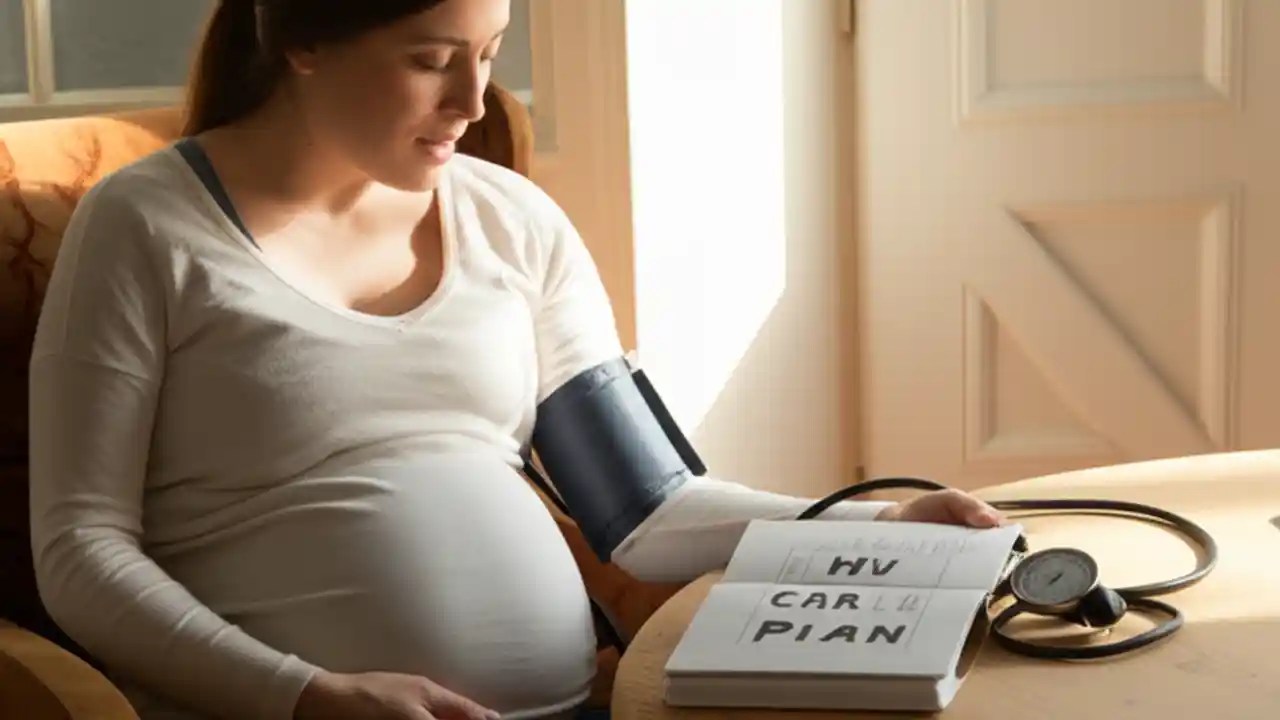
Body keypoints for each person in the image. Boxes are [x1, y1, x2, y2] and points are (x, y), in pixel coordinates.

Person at [26, 1, 1006, 719]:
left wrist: (879, 526)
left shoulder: (511, 219)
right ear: (303, 41)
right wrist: (308, 697)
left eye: (490, 52)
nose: (472, 98)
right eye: (430, 60)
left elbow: (648, 511)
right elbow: (81, 550)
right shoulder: (145, 227)